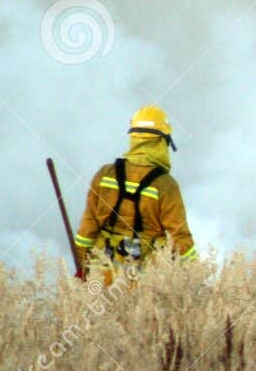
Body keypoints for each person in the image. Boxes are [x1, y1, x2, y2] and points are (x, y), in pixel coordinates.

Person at [74, 104, 197, 279]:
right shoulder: (166, 186)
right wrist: (196, 277)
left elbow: (86, 232)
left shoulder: (105, 175)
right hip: (143, 283)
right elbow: (180, 239)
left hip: (100, 276)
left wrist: (81, 269)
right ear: (163, 141)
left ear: (133, 138)